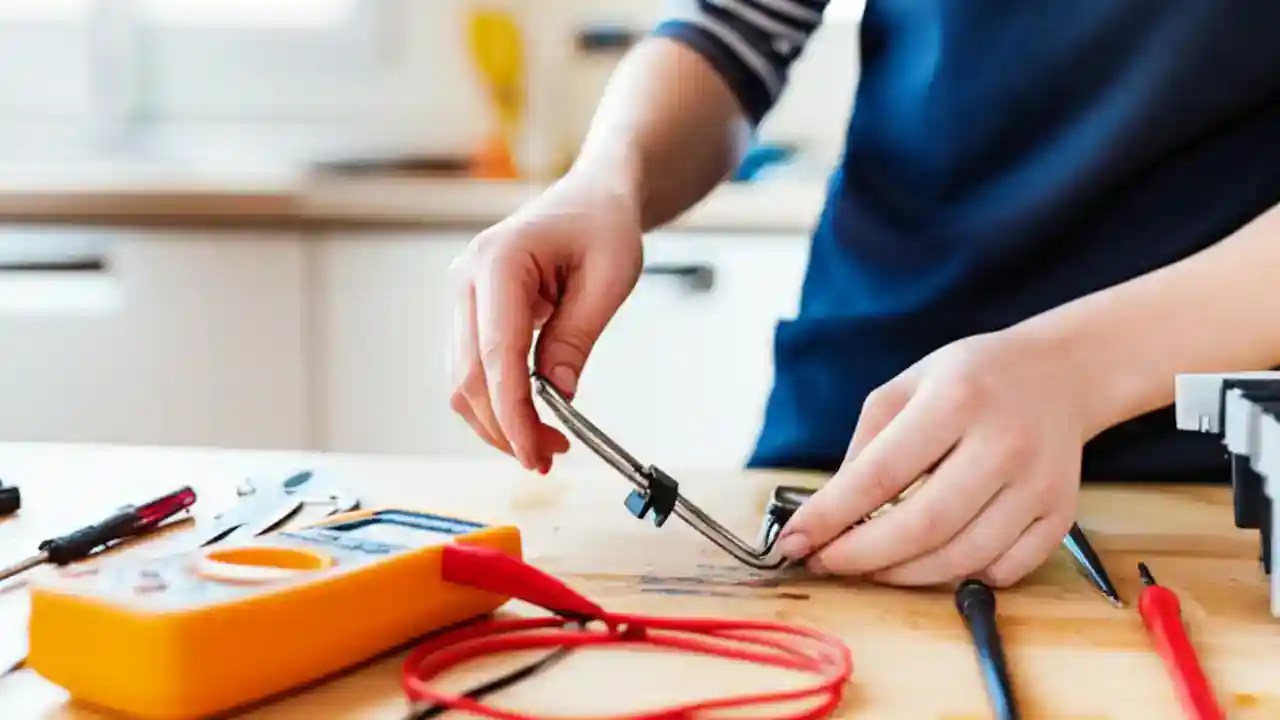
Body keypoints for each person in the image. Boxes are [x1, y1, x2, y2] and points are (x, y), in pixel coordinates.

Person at [447, 0, 1280, 589]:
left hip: (1211, 465)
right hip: (851, 428)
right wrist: (606, 179)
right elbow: (735, 26)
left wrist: (1083, 368)